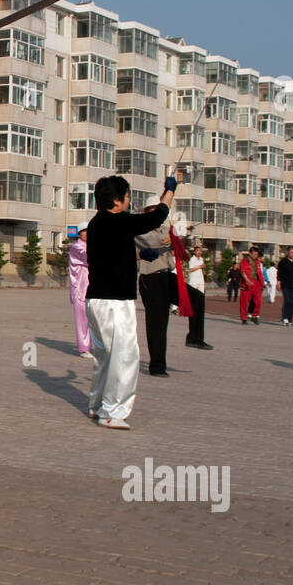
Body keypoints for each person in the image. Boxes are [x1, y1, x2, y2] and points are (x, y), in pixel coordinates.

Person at [86, 174, 175, 429]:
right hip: (115, 301)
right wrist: (168, 193)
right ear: (116, 200)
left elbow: (113, 250)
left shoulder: (97, 223)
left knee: (105, 356)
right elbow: (155, 218)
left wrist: (139, 254)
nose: (129, 199)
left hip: (96, 300)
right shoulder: (119, 221)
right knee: (124, 356)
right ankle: (112, 411)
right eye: (126, 195)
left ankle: (97, 404)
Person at [134, 209, 179, 377]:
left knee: (196, 298)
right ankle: (157, 366)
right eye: (152, 212)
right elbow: (152, 243)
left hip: (168, 275)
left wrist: (179, 236)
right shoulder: (141, 231)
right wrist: (170, 240)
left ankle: (195, 337)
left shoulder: (165, 230)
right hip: (150, 279)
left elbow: (179, 238)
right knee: (157, 324)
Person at [68, 229, 91, 357]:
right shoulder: (77, 247)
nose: (87, 234)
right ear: (79, 234)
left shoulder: (91, 246)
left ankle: (91, 345)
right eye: (84, 232)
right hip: (80, 288)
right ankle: (83, 348)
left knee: (93, 319)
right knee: (82, 319)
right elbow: (89, 258)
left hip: (91, 288)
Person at [183, 244, 211, 349]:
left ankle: (197, 337)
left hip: (200, 281)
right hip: (193, 282)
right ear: (194, 252)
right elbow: (191, 269)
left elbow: (202, 271)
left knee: (200, 304)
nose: (199, 252)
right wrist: (200, 266)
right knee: (195, 305)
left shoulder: (202, 259)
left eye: (200, 250)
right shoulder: (192, 259)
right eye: (198, 250)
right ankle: (193, 337)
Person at [238, 246, 264, 324]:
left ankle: (254, 315)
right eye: (254, 254)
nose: (256, 256)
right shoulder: (244, 261)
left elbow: (260, 273)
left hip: (257, 283)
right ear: (250, 253)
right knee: (244, 302)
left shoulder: (258, 262)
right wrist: (247, 280)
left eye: (257, 254)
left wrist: (262, 283)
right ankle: (244, 318)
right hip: (247, 283)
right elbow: (242, 272)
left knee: (258, 301)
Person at [277, 246, 293, 326]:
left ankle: (290, 319)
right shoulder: (283, 262)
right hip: (285, 285)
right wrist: (278, 283)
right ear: (287, 252)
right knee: (287, 300)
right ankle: (285, 318)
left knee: (292, 302)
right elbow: (279, 273)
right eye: (291, 252)